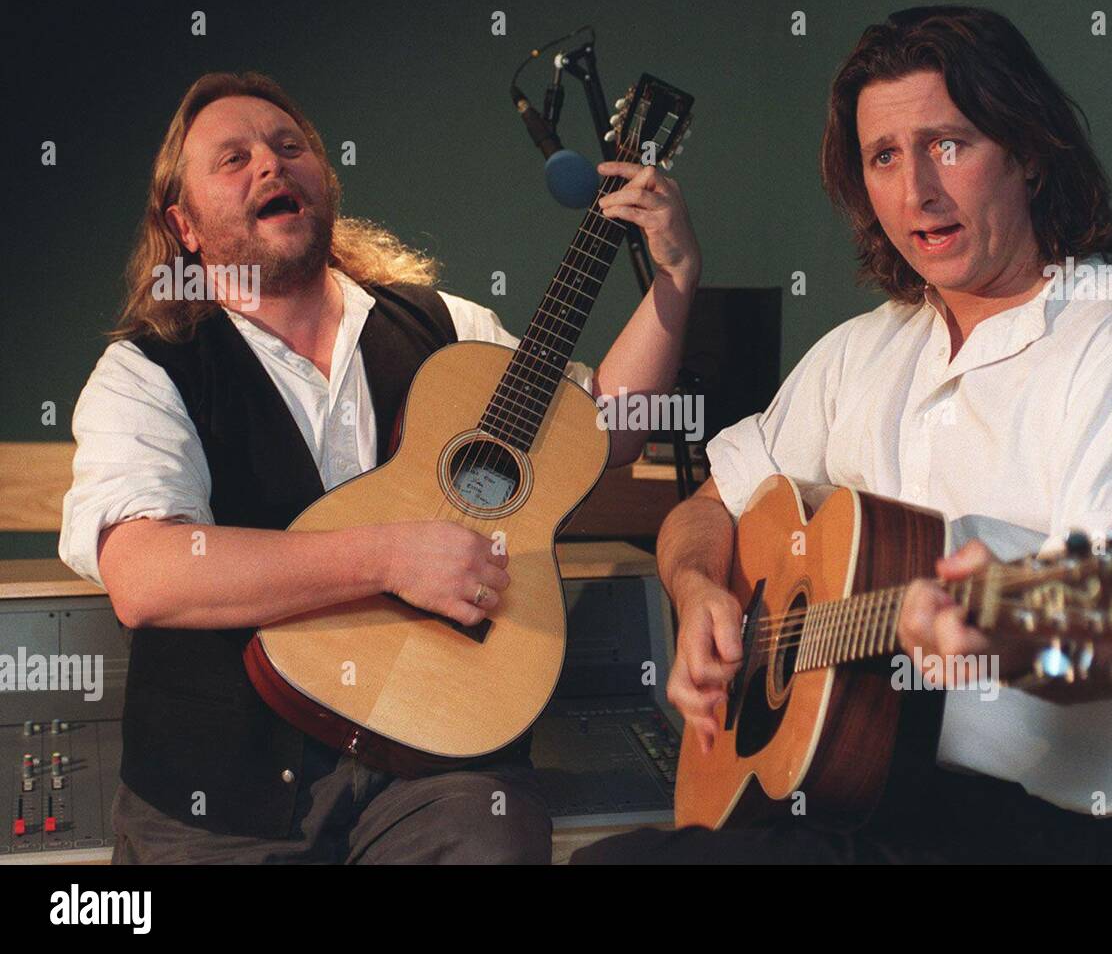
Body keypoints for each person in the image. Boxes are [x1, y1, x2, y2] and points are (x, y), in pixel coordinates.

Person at [574, 5, 1112, 864]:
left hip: (1053, 838)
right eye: (884, 156)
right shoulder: (860, 351)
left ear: (1031, 153)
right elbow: (707, 504)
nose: (917, 189)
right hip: (860, 804)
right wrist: (701, 589)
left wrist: (991, 608)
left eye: (948, 144)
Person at [59, 70, 701, 864]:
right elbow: (148, 574)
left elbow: (603, 428)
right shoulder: (150, 372)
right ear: (184, 224)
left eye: (290, 147)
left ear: (322, 181)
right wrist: (393, 557)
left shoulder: (445, 326)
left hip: (436, 775)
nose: (271, 164)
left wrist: (672, 278)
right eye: (234, 158)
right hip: (225, 797)